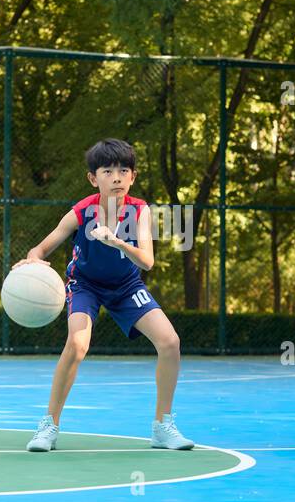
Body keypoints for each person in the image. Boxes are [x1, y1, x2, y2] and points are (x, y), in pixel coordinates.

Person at [14, 138, 192, 453]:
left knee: (170, 342)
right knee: (78, 344)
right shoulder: (82, 211)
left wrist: (118, 243)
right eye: (108, 171)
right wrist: (33, 262)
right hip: (85, 285)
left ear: (133, 177)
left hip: (127, 287)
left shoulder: (139, 211)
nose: (117, 177)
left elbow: (147, 262)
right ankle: (49, 426)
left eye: (124, 170)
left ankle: (162, 426)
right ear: (93, 179)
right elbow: (41, 248)